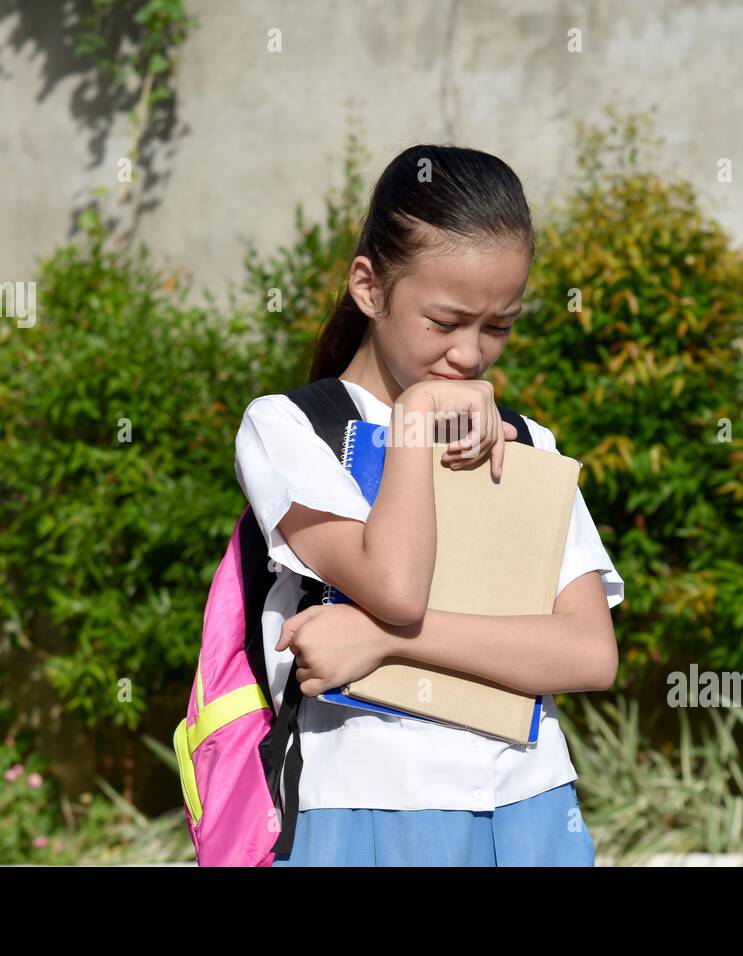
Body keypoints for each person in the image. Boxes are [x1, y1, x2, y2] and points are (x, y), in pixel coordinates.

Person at [233, 144, 625, 866]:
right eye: (445, 323)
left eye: (498, 325)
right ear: (369, 287)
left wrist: (384, 643)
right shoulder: (288, 428)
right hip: (366, 807)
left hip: (529, 802)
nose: (472, 355)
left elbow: (589, 653)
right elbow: (394, 586)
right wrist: (415, 422)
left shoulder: (526, 440)